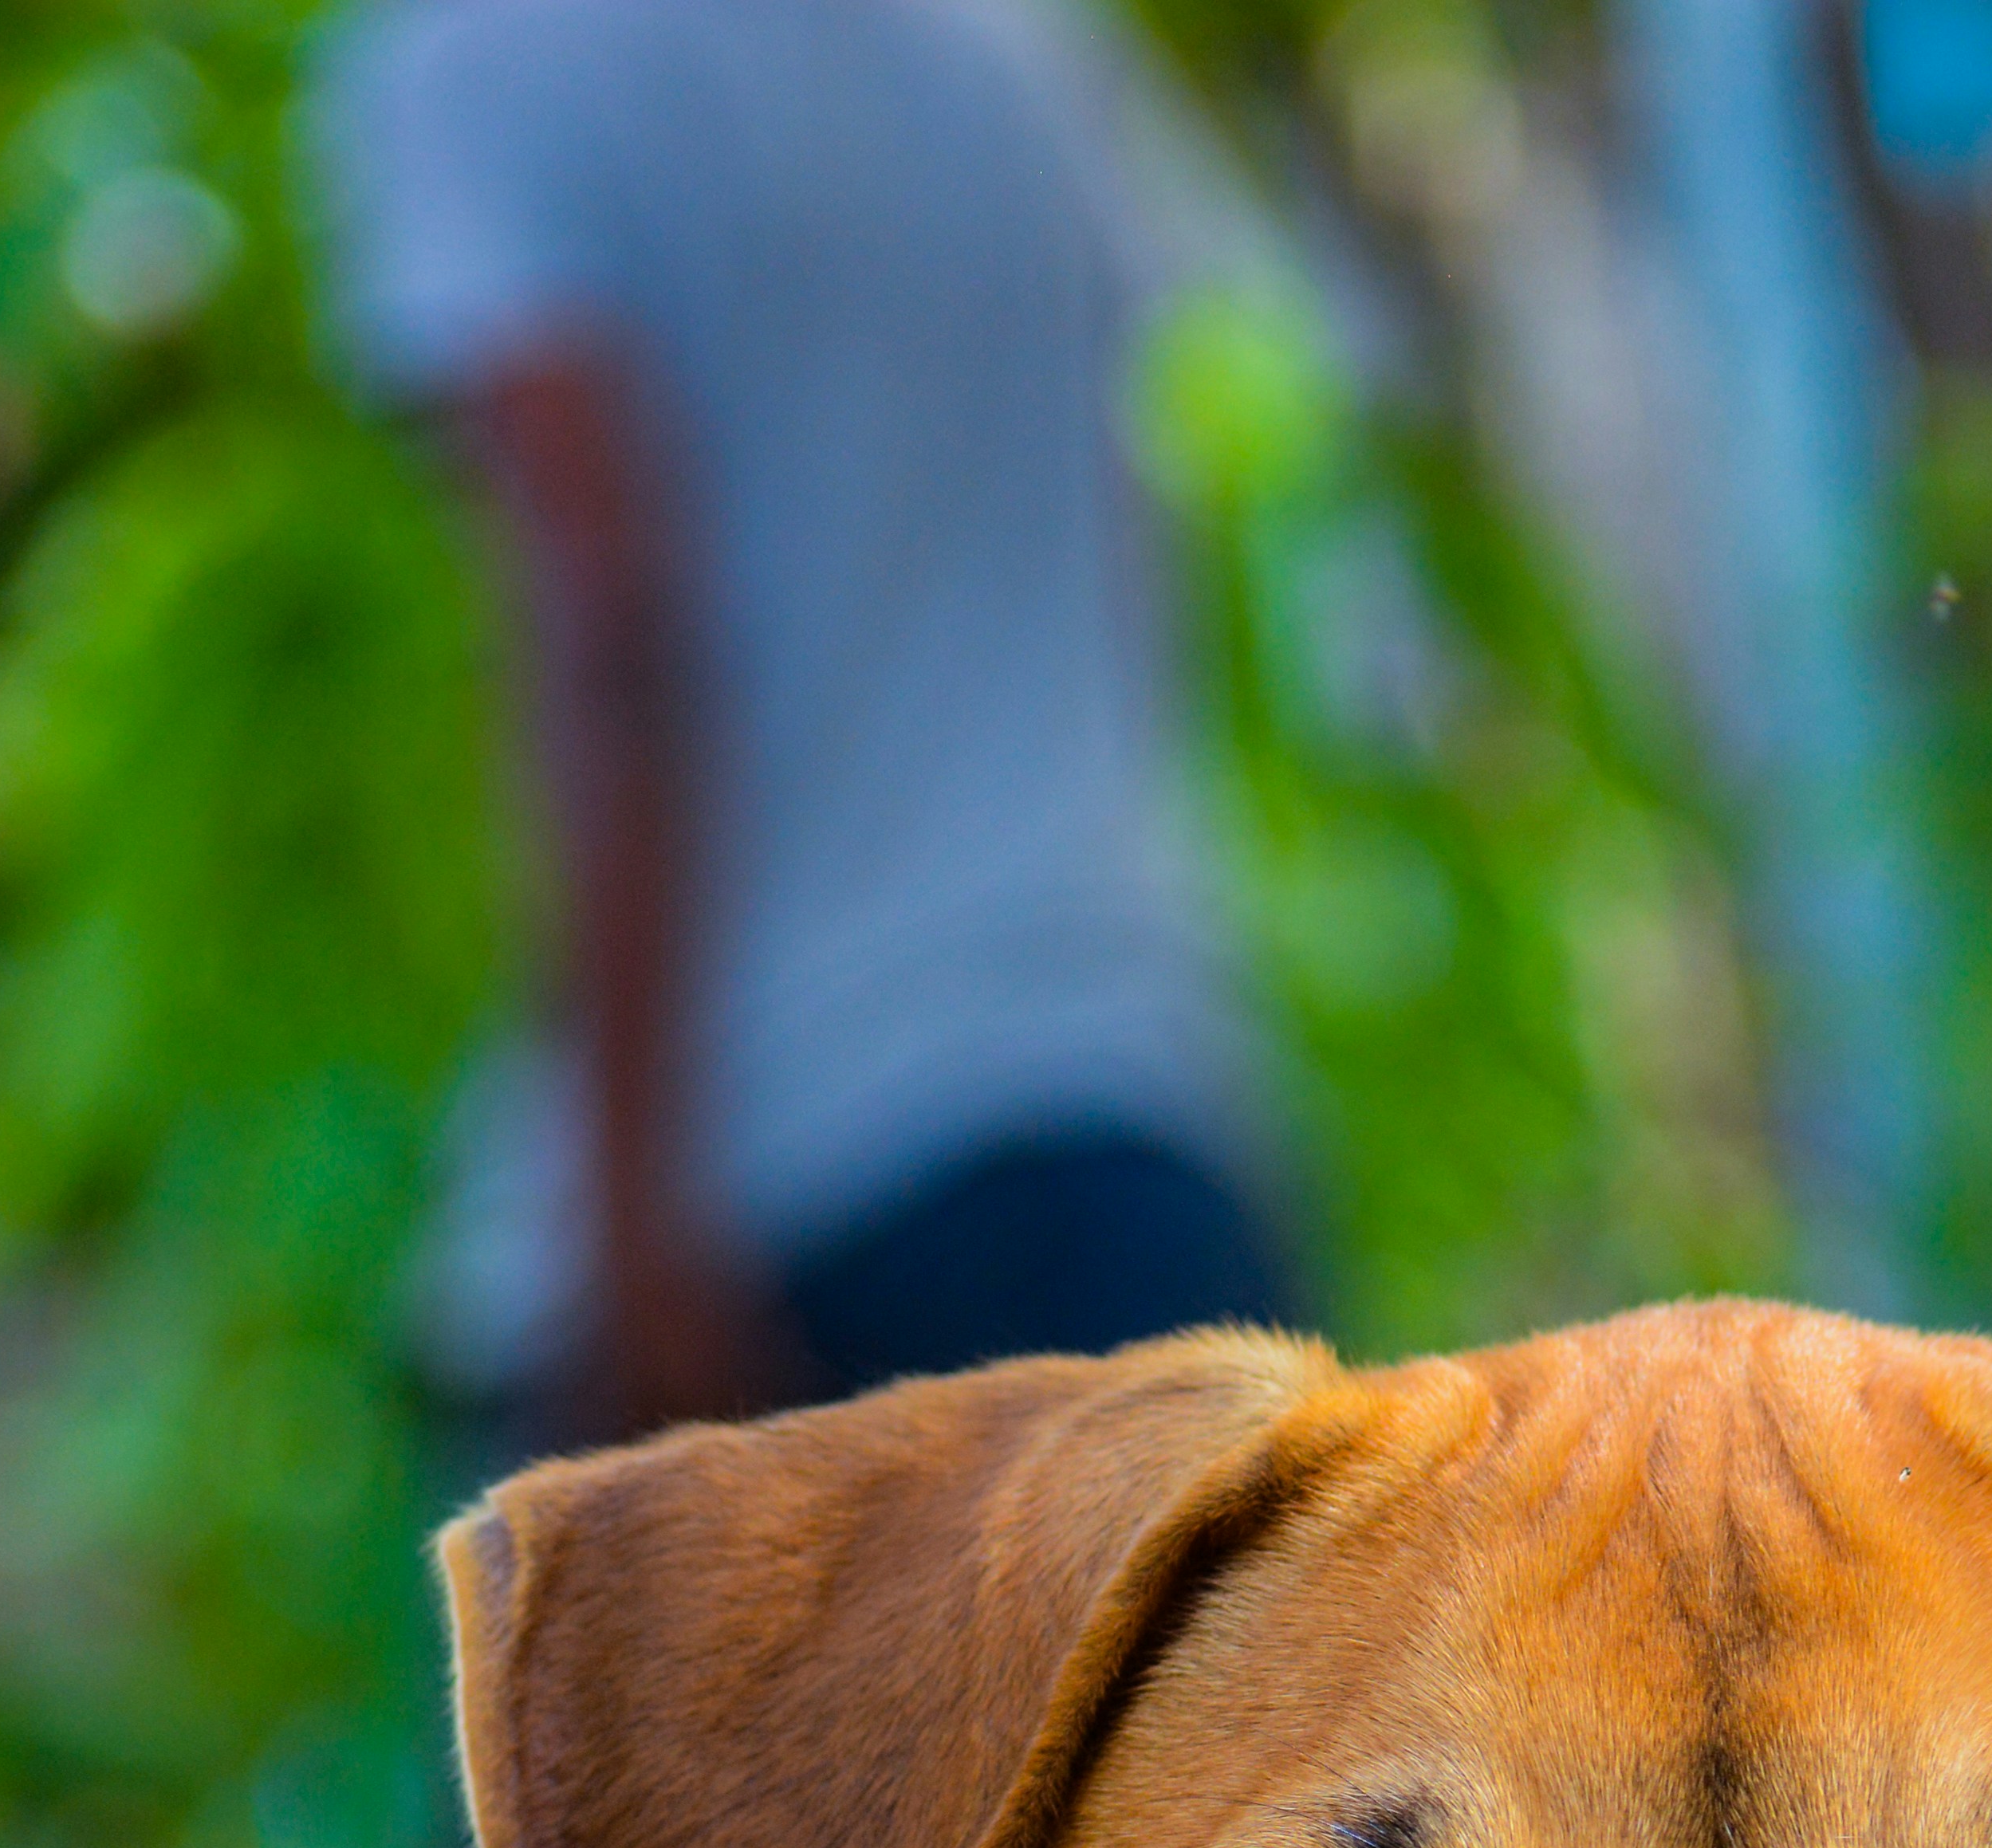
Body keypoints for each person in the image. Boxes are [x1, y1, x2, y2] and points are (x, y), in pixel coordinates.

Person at [305, 0, 1297, 1449]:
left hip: (792, 1189)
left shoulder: (482, 54)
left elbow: (618, 619)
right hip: (1139, 1120)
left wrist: (624, 1233)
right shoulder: (1016, 46)